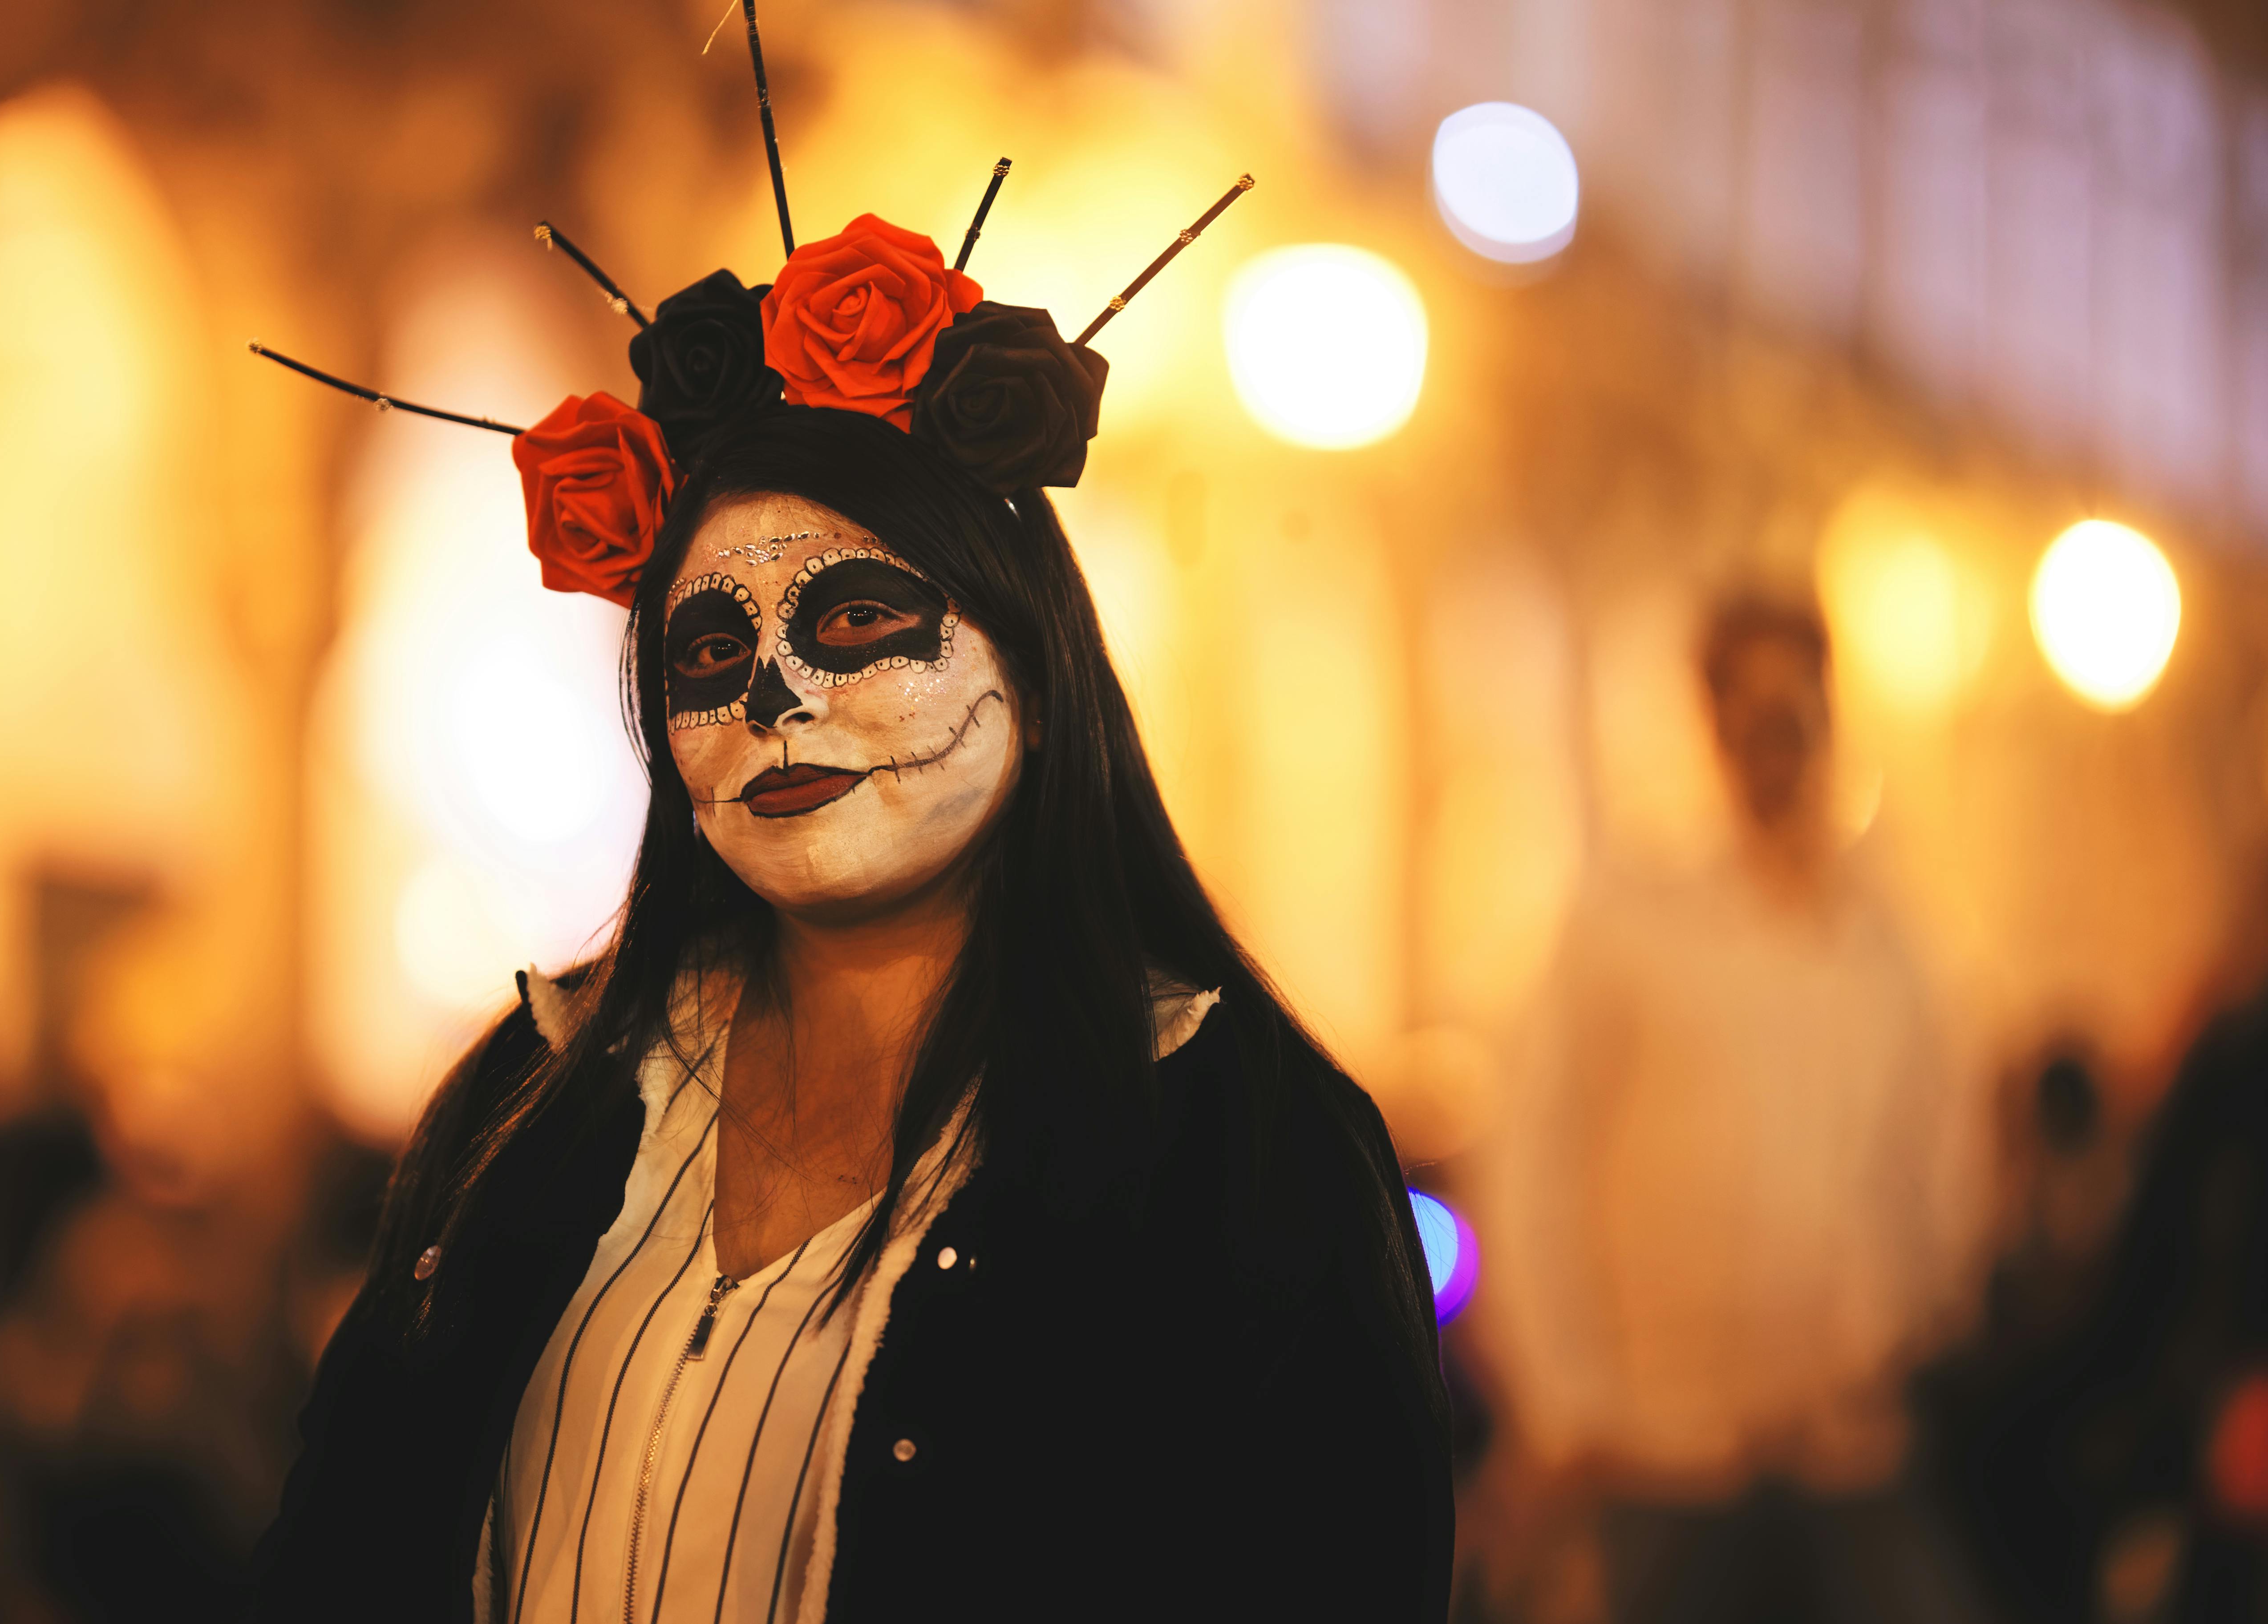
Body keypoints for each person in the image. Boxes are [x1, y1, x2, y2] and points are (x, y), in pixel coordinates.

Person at [243, 199, 1455, 1620]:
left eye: (859, 622)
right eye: (707, 647)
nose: (771, 698)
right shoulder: (530, 1110)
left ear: (1045, 677)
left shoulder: (1243, 1155)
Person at [1483, 594, 1986, 1624]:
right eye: (1751, 711)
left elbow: (1946, 1156)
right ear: (1713, 721)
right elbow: (1536, 1158)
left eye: (1796, 709)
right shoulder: (1629, 925)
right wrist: (1568, 1399)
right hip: (1665, 1460)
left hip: (1847, 1452)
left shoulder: (1884, 944)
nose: (1778, 742)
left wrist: (1897, 1316)